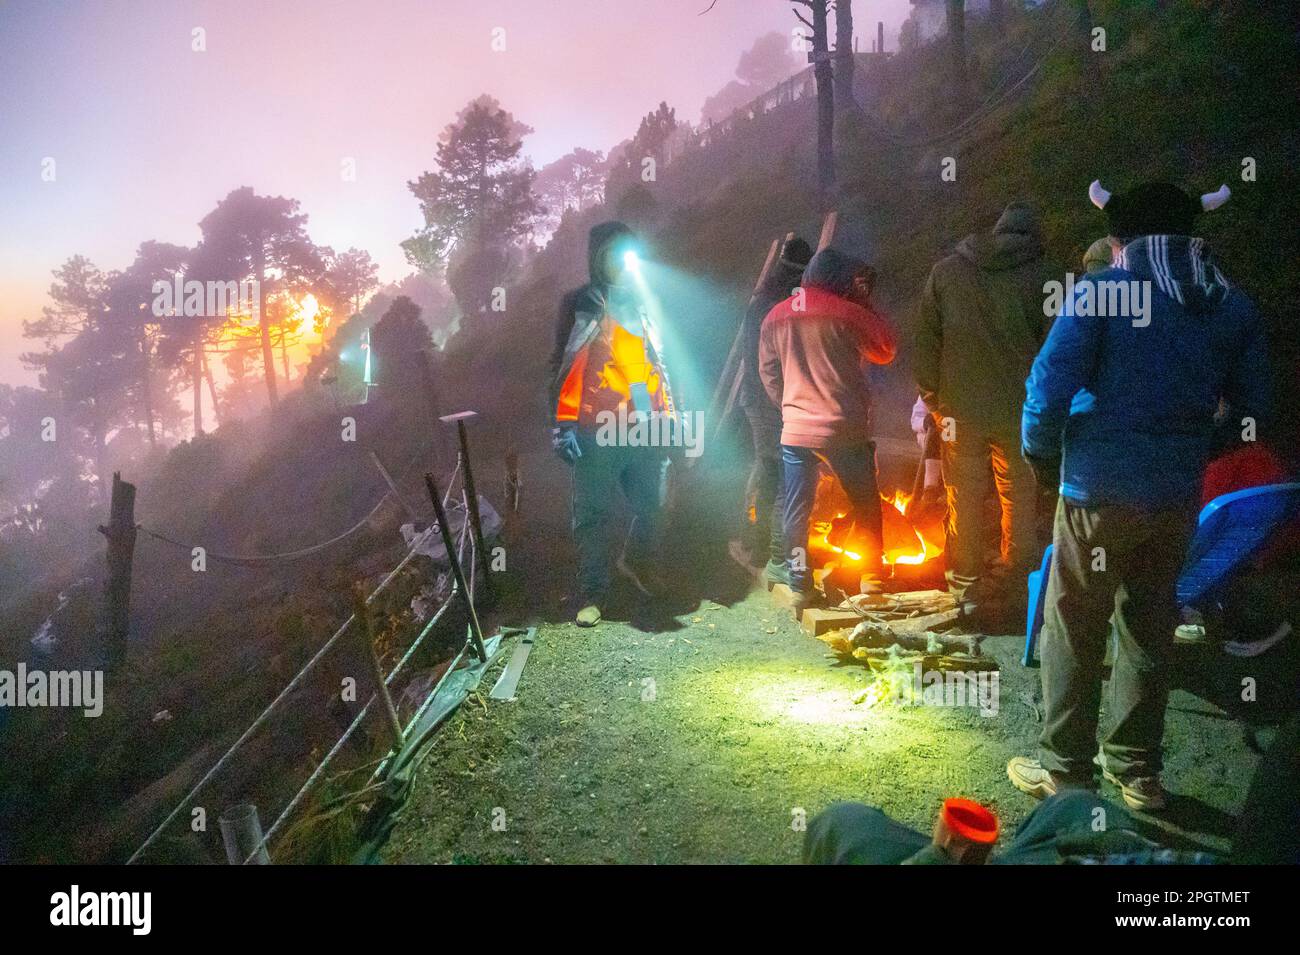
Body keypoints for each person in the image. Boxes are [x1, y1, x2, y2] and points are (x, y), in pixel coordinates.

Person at [1010, 179, 1270, 811]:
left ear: (1125, 238)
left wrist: (1042, 456)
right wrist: (1190, 450)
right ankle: (1138, 773)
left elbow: (1047, 386)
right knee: (1150, 624)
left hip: (1097, 489)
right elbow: (1253, 409)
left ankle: (1067, 772)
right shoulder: (1230, 305)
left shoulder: (1100, 294)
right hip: (1176, 497)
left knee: (1074, 621)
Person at [914, 203, 1053, 615]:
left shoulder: (946, 272)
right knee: (1019, 499)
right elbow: (1056, 350)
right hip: (1020, 409)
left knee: (965, 497)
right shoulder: (1046, 275)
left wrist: (933, 401)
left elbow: (926, 343)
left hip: (959, 410)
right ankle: (1019, 587)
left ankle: (966, 590)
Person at [547, 221, 675, 627]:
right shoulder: (580, 303)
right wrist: (563, 424)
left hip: (643, 428)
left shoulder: (644, 302)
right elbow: (563, 365)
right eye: (614, 253)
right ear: (597, 258)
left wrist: (667, 417)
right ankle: (594, 592)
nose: (622, 262)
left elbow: (660, 365)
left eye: (628, 252)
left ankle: (637, 562)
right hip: (595, 428)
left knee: (651, 505)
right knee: (593, 514)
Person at [759, 247, 896, 614]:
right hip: (844, 428)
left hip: (796, 430)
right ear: (840, 280)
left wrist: (789, 406)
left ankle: (800, 584)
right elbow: (886, 349)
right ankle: (872, 580)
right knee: (865, 504)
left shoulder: (775, 315)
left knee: (796, 510)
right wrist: (865, 302)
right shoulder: (848, 313)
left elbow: (768, 374)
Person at [734, 235, 813, 577]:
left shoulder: (759, 302)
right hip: (778, 401)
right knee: (786, 479)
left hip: (753, 398)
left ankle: (755, 545)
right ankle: (780, 558)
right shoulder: (788, 306)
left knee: (766, 469)